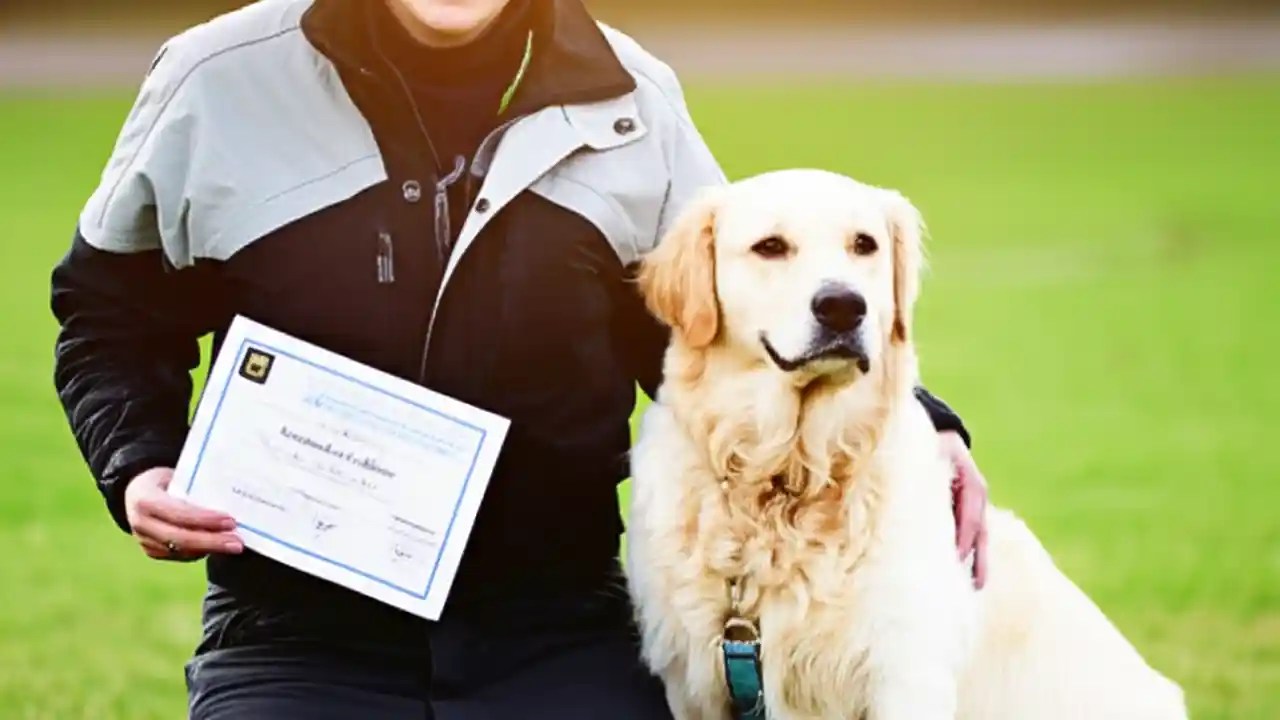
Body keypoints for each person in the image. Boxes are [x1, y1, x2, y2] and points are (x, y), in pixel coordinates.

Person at [50, 0, 990, 717]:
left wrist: (924, 425)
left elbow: (743, 320)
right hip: (295, 638)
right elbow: (107, 313)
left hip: (558, 628)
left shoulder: (633, 99)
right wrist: (136, 463)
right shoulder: (216, 80)